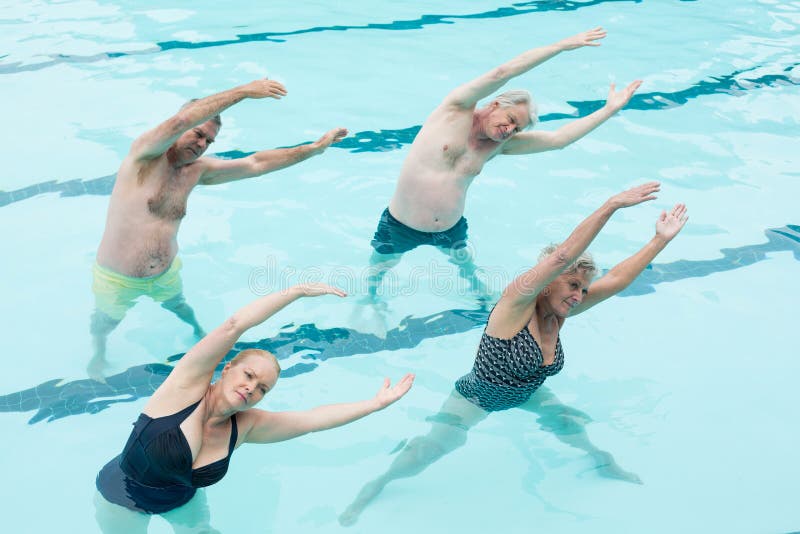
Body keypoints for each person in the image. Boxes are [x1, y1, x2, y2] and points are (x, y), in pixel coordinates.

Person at [340, 183, 688, 525]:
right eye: (572, 285)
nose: (579, 295)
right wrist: (611, 205)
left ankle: (604, 462)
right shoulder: (516, 304)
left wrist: (660, 239)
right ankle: (377, 485)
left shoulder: (561, 312)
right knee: (428, 452)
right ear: (548, 280)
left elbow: (619, 281)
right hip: (478, 396)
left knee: (570, 425)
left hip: (527, 390)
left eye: (583, 288)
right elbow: (562, 256)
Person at [94, 283, 414, 533]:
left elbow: (312, 420)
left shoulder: (245, 426)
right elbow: (234, 325)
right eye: (249, 375)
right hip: (124, 498)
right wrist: (297, 292)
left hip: (183, 500)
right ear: (229, 367)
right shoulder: (183, 390)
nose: (252, 388)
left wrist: (373, 405)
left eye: (262, 388)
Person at [90, 78, 347, 379]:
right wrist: (243, 92)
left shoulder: (196, 172)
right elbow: (181, 120)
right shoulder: (142, 158)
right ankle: (99, 354)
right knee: (105, 323)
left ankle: (198, 334)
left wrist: (314, 149)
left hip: (165, 273)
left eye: (208, 142)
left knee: (180, 306)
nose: (201, 145)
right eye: (198, 134)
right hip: (117, 279)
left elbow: (256, 163)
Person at [367, 27, 641, 303]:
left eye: (516, 128)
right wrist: (560, 46)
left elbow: (559, 140)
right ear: (496, 103)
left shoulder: (500, 144)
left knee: (466, 268)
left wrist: (609, 110)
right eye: (509, 119)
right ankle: (370, 302)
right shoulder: (455, 108)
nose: (508, 129)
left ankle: (481, 300)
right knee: (378, 271)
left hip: (450, 229)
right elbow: (503, 72)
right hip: (399, 224)